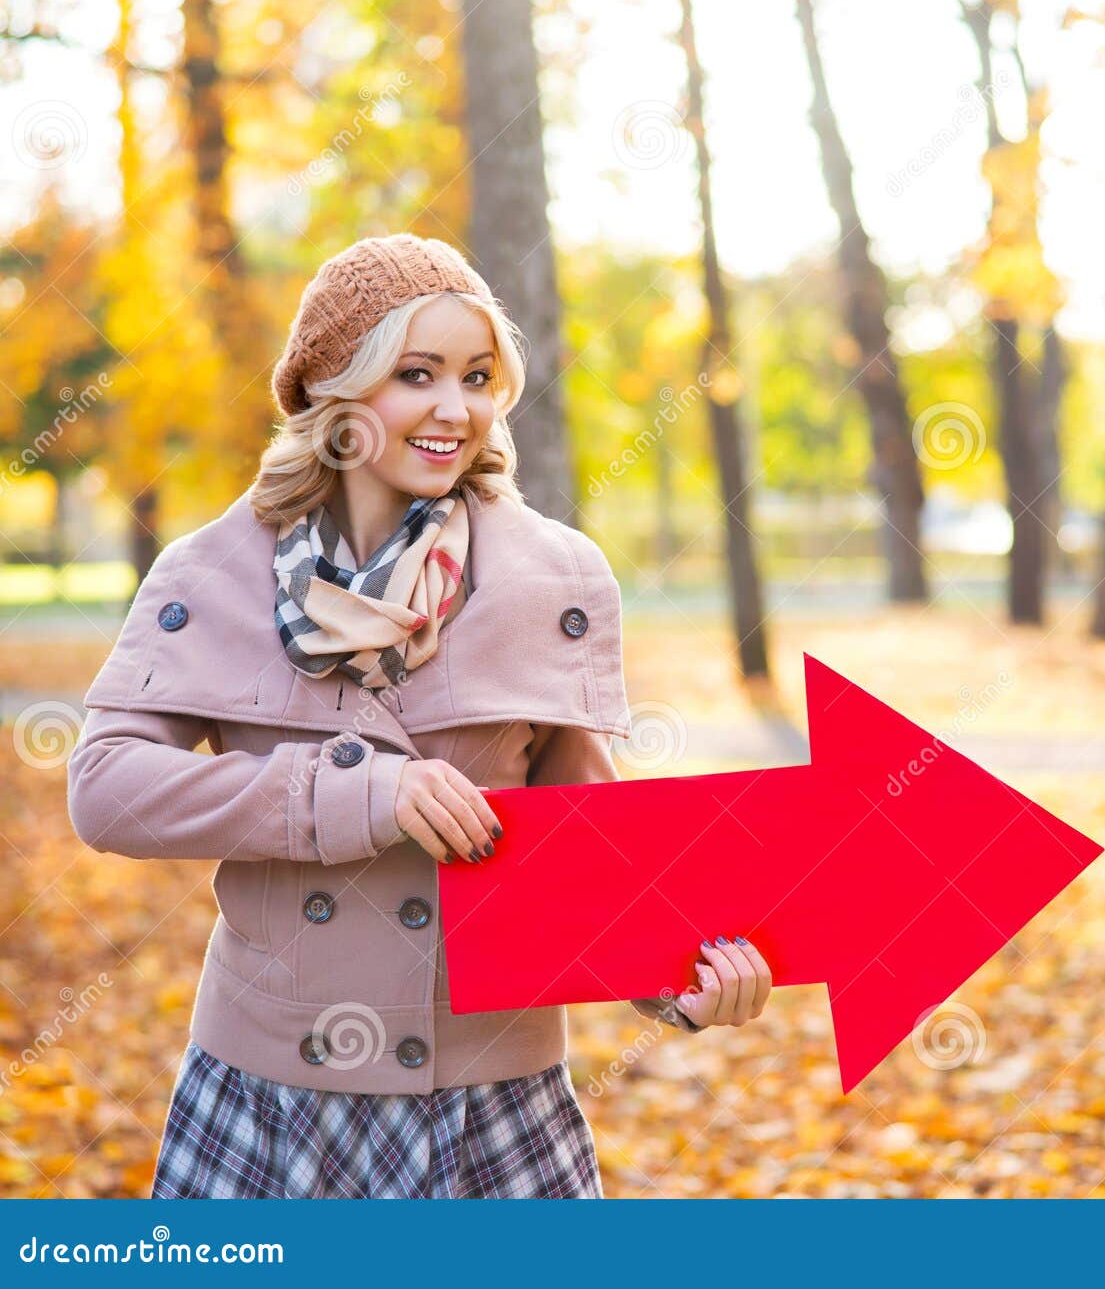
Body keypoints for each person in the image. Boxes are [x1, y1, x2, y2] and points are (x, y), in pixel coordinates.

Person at [64, 233, 772, 1199]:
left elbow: (583, 846)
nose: (456, 409)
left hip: (495, 1100)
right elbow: (108, 789)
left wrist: (677, 975)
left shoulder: (548, 577)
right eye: (417, 374)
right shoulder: (212, 572)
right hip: (273, 1093)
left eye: (477, 377)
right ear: (333, 390)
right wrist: (358, 794)